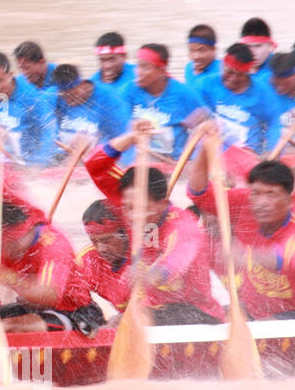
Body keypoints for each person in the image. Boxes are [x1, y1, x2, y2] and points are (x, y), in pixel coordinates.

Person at [186, 127, 295, 320]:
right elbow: (199, 192)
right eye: (256, 193)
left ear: (289, 200)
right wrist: (205, 150)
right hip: (258, 313)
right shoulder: (245, 201)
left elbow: (284, 260)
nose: (261, 202)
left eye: (271, 194)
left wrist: (244, 255)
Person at [0, 150, 103, 335]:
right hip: (30, 308)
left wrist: (7, 275)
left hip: (74, 312)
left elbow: (49, 295)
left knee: (8, 329)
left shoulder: (53, 244)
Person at [84, 124, 220, 324]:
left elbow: (176, 260)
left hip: (197, 312)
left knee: (121, 322)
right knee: (113, 323)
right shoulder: (132, 201)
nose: (132, 216)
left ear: (162, 204)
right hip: (154, 309)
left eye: (141, 208)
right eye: (128, 208)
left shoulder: (183, 226)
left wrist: (150, 275)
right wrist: (132, 136)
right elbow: (94, 165)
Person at [121, 43, 209, 158]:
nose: (138, 72)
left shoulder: (183, 93)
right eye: (138, 66)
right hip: (141, 159)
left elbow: (208, 128)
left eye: (145, 67)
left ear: (161, 70)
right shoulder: (129, 90)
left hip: (173, 162)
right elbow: (121, 127)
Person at [0, 52, 57, 165]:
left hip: (25, 164)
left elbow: (49, 129)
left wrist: (39, 164)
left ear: (10, 75)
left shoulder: (31, 97)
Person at [195, 43, 279, 155]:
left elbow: (275, 124)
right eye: (229, 72)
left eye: (239, 75)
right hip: (214, 152)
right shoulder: (205, 85)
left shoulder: (263, 93)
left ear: (248, 73)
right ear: (222, 65)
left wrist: (271, 152)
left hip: (248, 155)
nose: (233, 79)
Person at [52, 64, 128, 150]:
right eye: (65, 96)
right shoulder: (58, 99)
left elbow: (123, 135)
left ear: (83, 84)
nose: (68, 101)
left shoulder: (108, 97)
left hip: (99, 154)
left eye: (73, 95)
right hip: (68, 154)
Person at [77, 199, 131, 311]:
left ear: (124, 234)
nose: (101, 249)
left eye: (106, 240)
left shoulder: (145, 254)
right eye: (94, 242)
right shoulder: (88, 259)